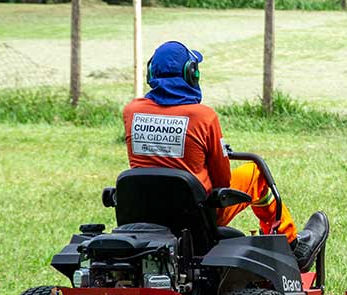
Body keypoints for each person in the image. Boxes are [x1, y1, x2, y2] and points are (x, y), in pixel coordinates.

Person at [123, 40, 328, 271]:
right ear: (192, 74)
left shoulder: (132, 112)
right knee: (254, 173)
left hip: (144, 214)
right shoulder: (204, 117)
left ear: (151, 73)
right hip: (197, 216)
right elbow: (223, 181)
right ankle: (291, 244)